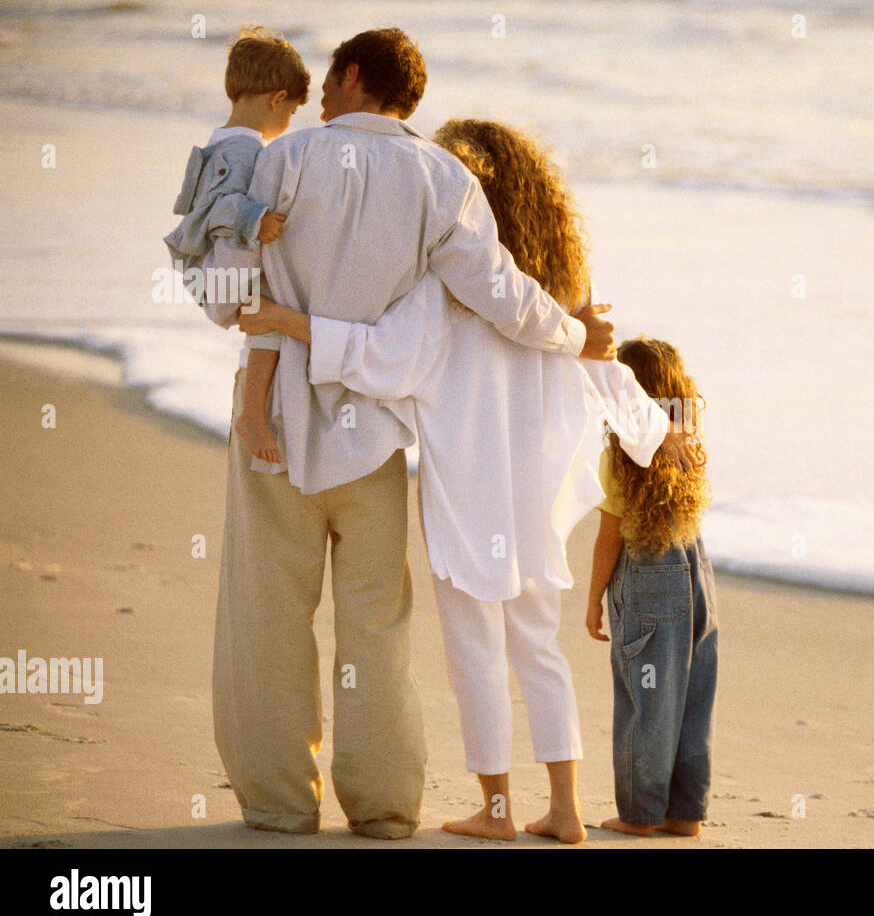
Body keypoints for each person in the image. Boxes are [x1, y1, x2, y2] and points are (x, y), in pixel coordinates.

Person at [202, 29, 617, 840]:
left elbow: (227, 297)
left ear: (354, 76)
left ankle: (281, 802)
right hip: (376, 435)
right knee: (377, 626)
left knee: (267, 615)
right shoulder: (444, 178)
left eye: (327, 80)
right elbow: (503, 297)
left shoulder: (279, 162)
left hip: (276, 419)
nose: (317, 98)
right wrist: (575, 335)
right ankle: (385, 805)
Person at [242, 119, 698, 843]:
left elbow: (375, 353)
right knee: (539, 651)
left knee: (477, 657)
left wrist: (284, 320)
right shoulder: (561, 288)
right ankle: (567, 811)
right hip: (535, 501)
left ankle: (497, 814)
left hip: (466, 496)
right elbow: (604, 369)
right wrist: (657, 434)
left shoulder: (444, 290)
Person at [585, 337, 718, 837]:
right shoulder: (689, 448)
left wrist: (594, 598)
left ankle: (640, 814)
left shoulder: (622, 456)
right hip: (696, 571)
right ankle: (684, 812)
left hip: (648, 578)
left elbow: (609, 537)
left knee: (647, 698)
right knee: (692, 692)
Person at [164, 25, 308, 465]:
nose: (289, 126)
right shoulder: (247, 152)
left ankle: (252, 413)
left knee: (269, 322)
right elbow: (218, 209)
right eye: (293, 113)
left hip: (215, 269)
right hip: (224, 273)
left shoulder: (221, 143)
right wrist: (255, 218)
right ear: (276, 99)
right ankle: (252, 416)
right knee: (274, 319)